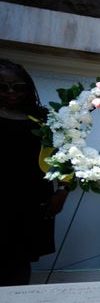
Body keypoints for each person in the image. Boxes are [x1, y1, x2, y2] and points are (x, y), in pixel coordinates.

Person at [0, 59, 68, 286]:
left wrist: (62, 191)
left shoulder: (42, 118)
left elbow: (65, 156)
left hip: (30, 201)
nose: (11, 92)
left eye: (17, 86)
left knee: (19, 264)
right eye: (3, 86)